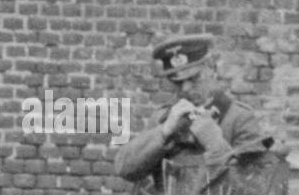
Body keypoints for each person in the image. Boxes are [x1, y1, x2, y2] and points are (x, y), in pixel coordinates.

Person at [114, 34, 272, 184]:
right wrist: (164, 132)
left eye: (193, 78)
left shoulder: (239, 119)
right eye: (178, 82)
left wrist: (215, 144)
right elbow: (124, 169)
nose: (186, 88)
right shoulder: (164, 118)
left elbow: (253, 191)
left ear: (212, 69)